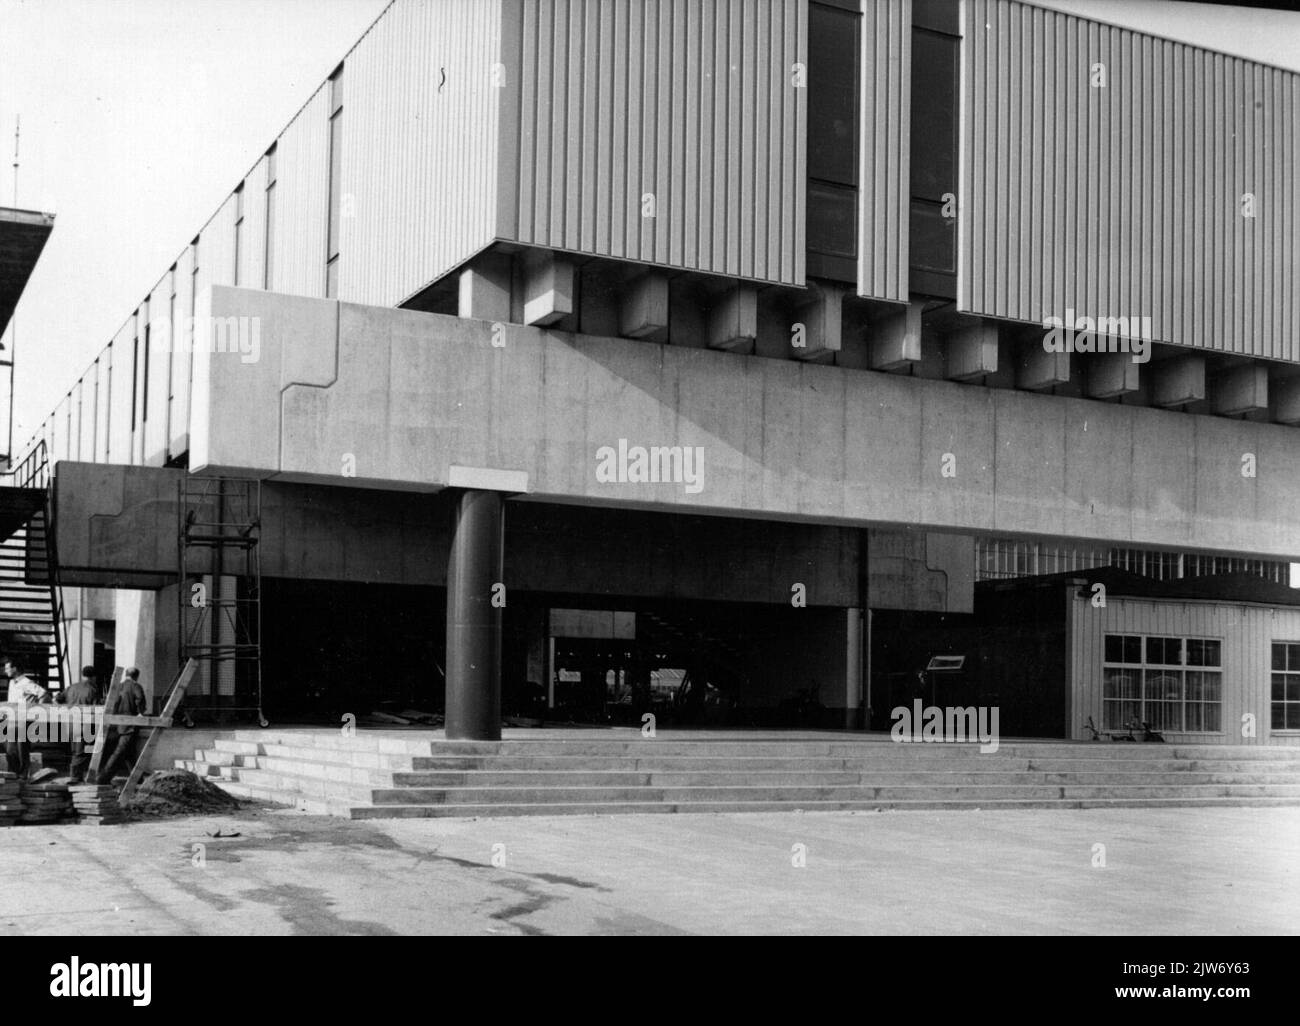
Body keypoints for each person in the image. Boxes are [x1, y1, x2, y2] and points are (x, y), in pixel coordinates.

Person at [97, 667, 148, 783]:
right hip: (130, 724)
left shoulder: (118, 686)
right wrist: (140, 712)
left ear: (126, 674)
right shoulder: (135, 686)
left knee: (129, 752)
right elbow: (140, 699)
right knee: (120, 751)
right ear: (137, 676)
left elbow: (111, 702)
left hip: (117, 723)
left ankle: (138, 778)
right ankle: (103, 777)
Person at [3, 657, 49, 778]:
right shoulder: (12, 683)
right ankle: (15, 773)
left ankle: (23, 775)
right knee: (10, 749)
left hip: (24, 720)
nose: (5, 671)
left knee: (22, 748)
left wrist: (36, 711)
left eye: (7, 668)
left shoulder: (26, 682)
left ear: (15, 669)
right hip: (12, 720)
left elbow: (43, 694)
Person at [55, 667, 99, 784]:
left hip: (70, 723)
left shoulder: (71, 687)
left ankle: (76, 776)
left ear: (82, 675)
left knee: (75, 750)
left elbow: (58, 699)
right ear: (93, 677)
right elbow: (96, 708)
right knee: (81, 752)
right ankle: (74, 777)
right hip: (84, 724)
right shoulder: (93, 689)